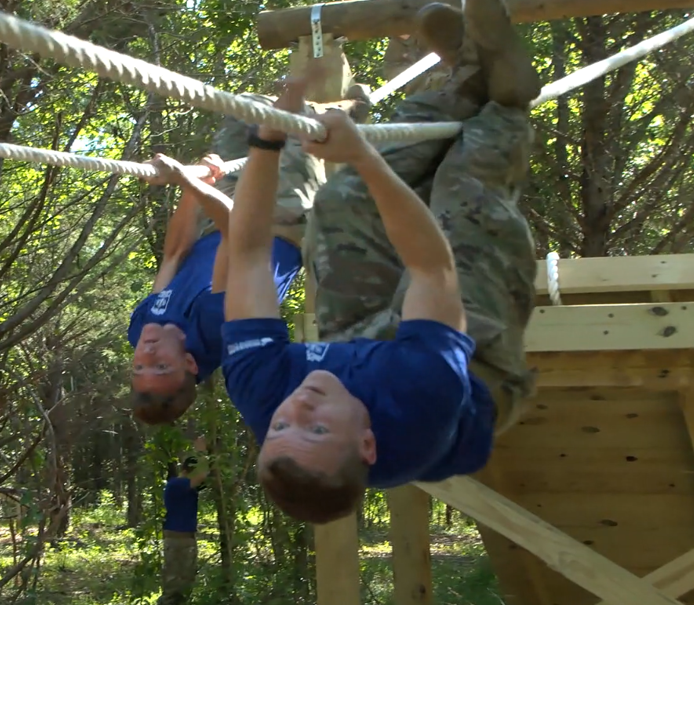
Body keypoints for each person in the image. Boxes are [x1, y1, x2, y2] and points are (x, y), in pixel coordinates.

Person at [219, 0, 542, 524]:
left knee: (342, 202)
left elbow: (250, 252)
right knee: (463, 204)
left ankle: (465, 78)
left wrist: (268, 138)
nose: (297, 409)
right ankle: (506, 107)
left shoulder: (263, 392)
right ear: (367, 445)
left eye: (280, 428)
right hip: (479, 369)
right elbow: (432, 269)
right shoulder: (421, 400)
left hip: (356, 344)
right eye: (317, 429)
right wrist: (365, 155)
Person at [127, 84, 362, 426]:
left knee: (249, 108)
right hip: (278, 219)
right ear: (190, 365)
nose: (147, 352)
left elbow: (175, 252)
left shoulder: (141, 330)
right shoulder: (218, 327)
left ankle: (333, 109)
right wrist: (186, 181)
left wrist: (196, 179)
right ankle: (346, 111)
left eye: (139, 366)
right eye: (161, 365)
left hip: (220, 212)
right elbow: (237, 232)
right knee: (296, 122)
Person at [158, 436, 210, 605]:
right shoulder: (178, 484)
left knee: (185, 584)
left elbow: (205, 479)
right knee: (173, 586)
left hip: (184, 539)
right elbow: (203, 475)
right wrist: (202, 451)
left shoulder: (184, 487)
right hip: (177, 539)